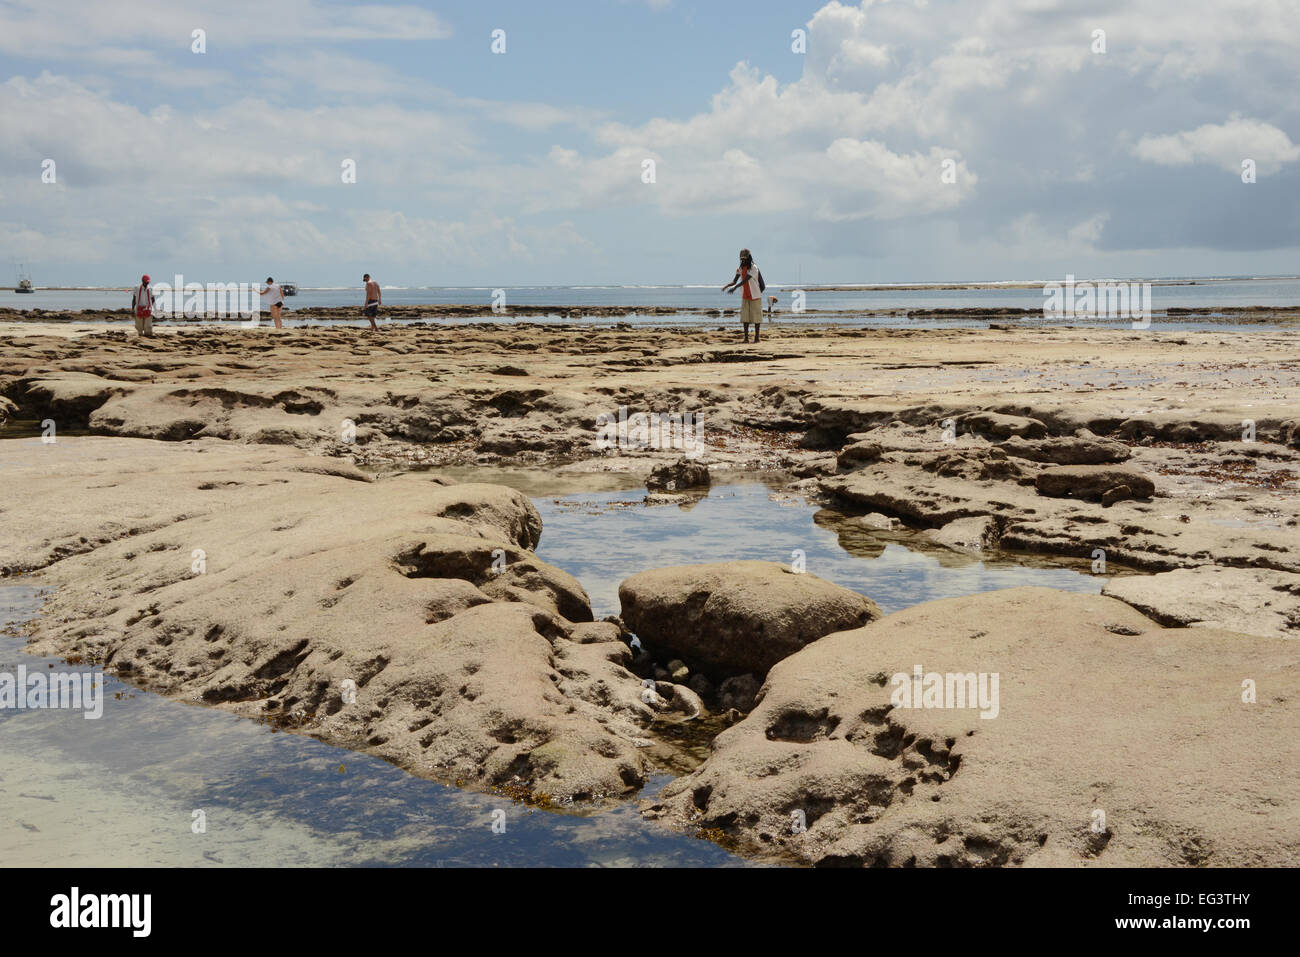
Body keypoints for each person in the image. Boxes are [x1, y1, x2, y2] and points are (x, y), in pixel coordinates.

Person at [722, 249, 765, 343]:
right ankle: (746, 338)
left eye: (745, 259)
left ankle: (757, 338)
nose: (743, 261)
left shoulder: (754, 267)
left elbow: (746, 279)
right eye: (742, 259)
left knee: (756, 318)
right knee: (745, 318)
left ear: (749, 258)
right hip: (745, 295)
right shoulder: (740, 268)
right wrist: (727, 286)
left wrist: (735, 288)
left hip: (755, 295)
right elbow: (735, 280)